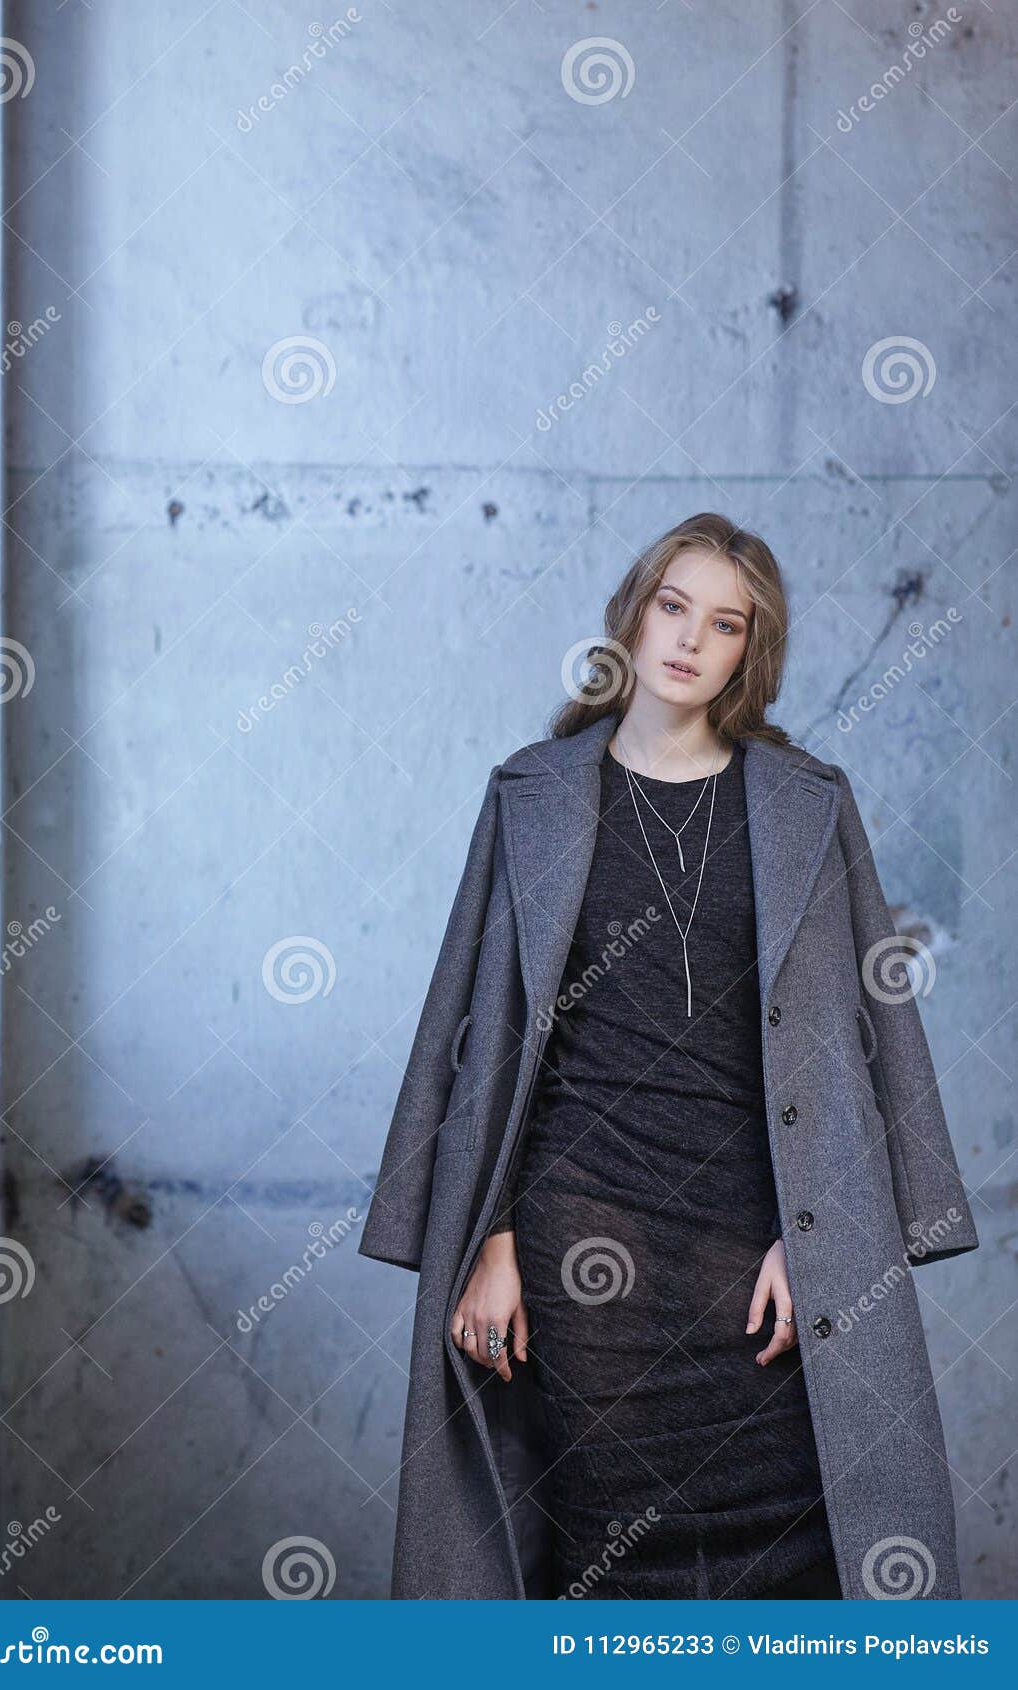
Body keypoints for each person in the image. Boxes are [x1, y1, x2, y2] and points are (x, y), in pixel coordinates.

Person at [450, 512, 842, 1599]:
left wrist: (817, 1239)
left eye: (722, 624)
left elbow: (851, 1052)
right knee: (611, 1550)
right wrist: (492, 1235)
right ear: (634, 609)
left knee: (794, 1555)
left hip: (750, 1240)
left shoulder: (804, 803)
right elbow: (481, 1033)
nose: (687, 640)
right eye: (673, 606)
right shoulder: (530, 795)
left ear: (744, 653)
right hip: (586, 1232)